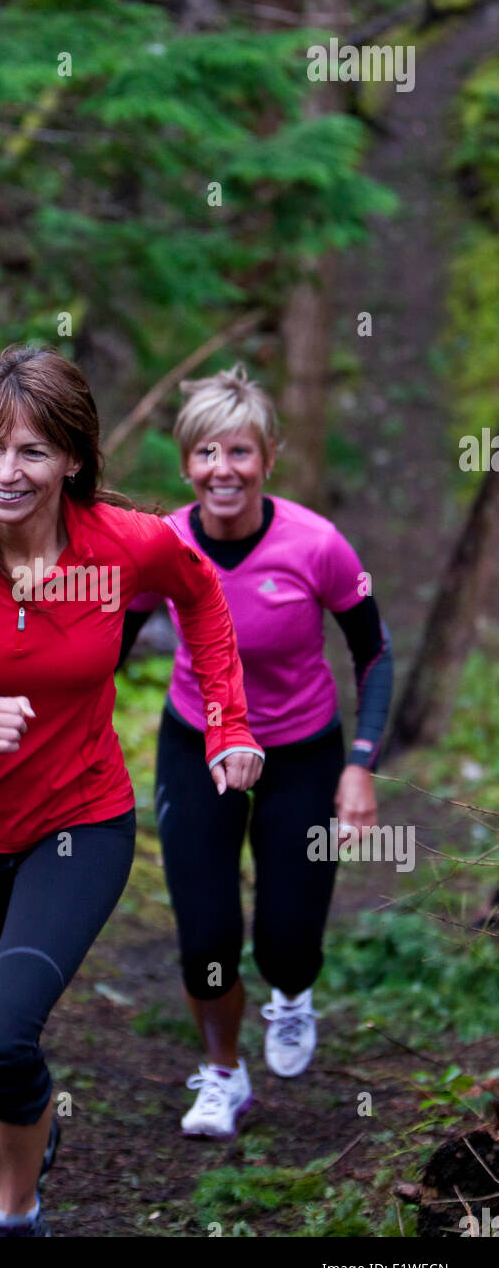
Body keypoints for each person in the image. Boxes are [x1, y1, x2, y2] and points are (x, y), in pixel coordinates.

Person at [0, 344, 264, 1235]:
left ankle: (13, 1215)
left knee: (2, 1038)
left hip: (79, 822)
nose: (7, 471)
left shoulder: (124, 543)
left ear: (74, 458)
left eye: (34, 451)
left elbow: (204, 601)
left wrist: (228, 722)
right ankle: (24, 1171)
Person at [118, 363, 393, 1139]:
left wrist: (359, 766)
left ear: (268, 459)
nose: (222, 470)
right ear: (185, 465)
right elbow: (112, 640)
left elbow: (374, 654)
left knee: (288, 941)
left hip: (301, 750)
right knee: (206, 934)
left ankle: (294, 994)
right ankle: (222, 1074)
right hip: (196, 744)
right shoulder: (165, 543)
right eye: (206, 453)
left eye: (239, 452)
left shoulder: (318, 545)